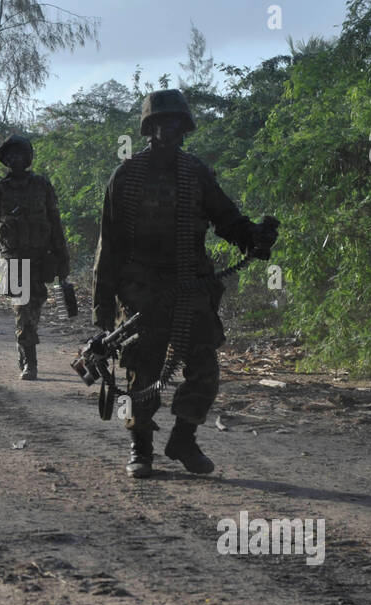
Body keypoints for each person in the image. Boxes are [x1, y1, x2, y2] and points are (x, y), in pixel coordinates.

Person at [92, 88, 278, 478]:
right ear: (149, 127)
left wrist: (253, 237)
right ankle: (139, 445)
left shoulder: (196, 172)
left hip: (192, 284)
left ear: (185, 127)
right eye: (161, 122)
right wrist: (103, 308)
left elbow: (227, 218)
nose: (169, 129)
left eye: (176, 122)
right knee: (142, 370)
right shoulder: (126, 175)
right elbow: (108, 246)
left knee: (205, 366)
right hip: (142, 286)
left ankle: (184, 438)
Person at [0, 134, 71, 380]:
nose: (16, 159)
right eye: (11, 156)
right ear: (6, 161)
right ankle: (30, 363)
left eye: (20, 154)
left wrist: (63, 259)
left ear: (28, 158)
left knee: (34, 309)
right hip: (13, 259)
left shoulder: (42, 185)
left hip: (41, 258)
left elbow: (55, 223)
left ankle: (24, 347)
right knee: (23, 309)